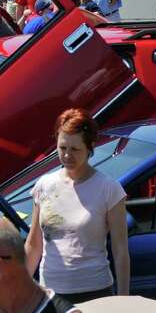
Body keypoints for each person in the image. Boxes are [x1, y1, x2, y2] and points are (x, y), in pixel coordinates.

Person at [24, 109, 129, 302]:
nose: (67, 155)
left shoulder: (109, 189)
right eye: (62, 148)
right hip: (51, 293)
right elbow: (33, 244)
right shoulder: (44, 186)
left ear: (90, 148)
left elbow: (120, 250)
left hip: (95, 292)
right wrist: (18, 291)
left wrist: (123, 300)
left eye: (75, 149)